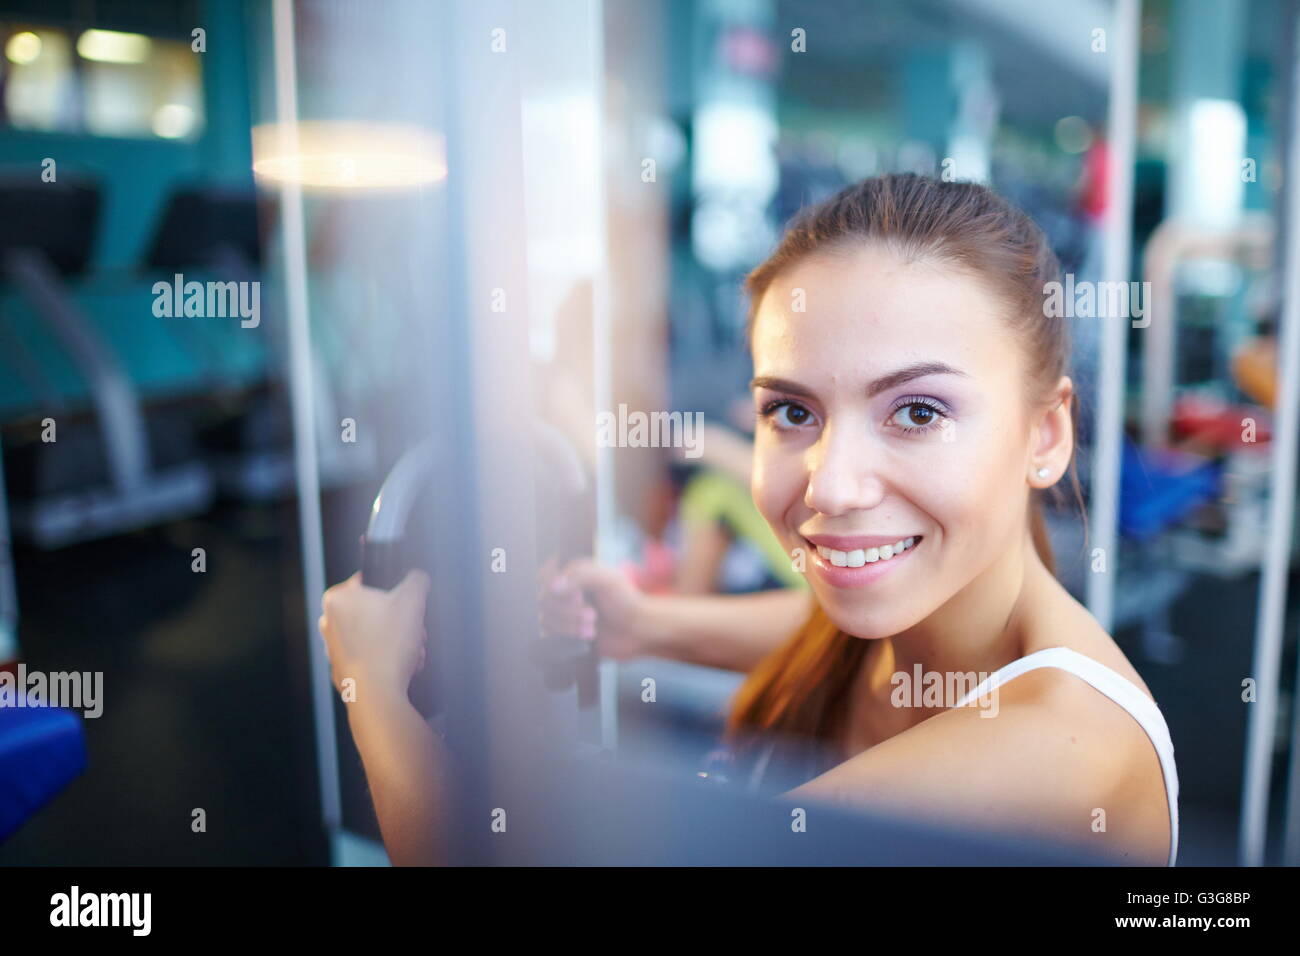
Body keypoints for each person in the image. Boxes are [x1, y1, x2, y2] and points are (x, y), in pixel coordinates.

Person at [320, 173, 1179, 866]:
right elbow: (838, 644)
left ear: (1046, 433)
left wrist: (369, 682)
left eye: (918, 413)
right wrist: (649, 621)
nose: (833, 487)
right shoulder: (926, 624)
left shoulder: (1063, 751)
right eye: (793, 412)